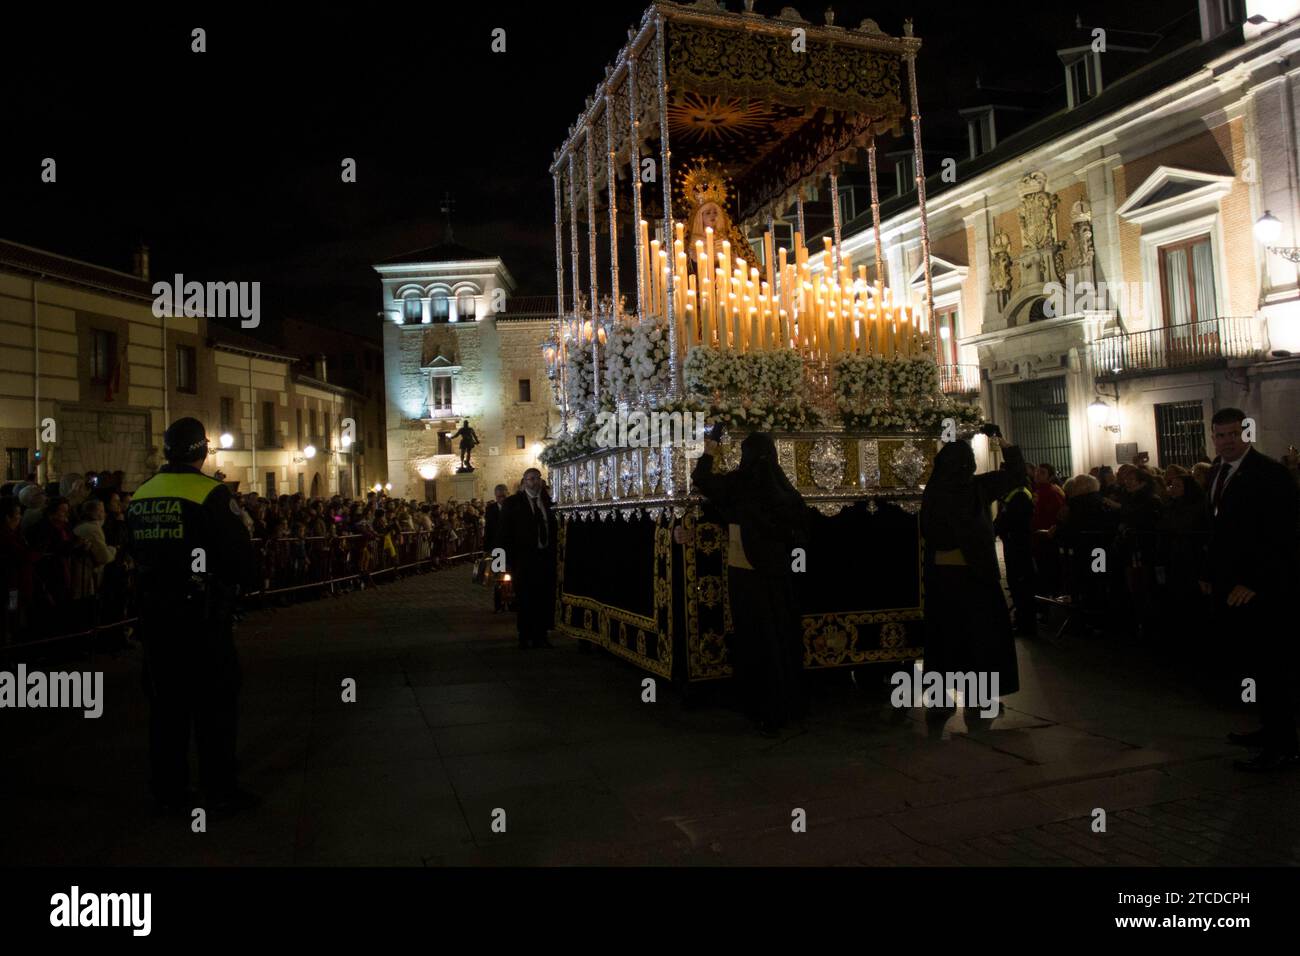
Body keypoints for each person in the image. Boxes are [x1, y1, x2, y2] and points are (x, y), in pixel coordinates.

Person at [127, 417, 259, 814]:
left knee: (166, 707)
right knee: (214, 705)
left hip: (155, 617)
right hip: (201, 617)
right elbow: (238, 557)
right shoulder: (211, 494)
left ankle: (168, 789)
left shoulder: (142, 495)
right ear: (201, 450)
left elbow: (133, 550)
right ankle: (219, 788)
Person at [1199, 408, 1300, 771]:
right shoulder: (1216, 473)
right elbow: (1215, 531)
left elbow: (1282, 536)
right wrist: (1208, 572)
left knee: (1273, 666)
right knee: (1252, 664)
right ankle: (1266, 728)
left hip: (1263, 590)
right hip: (1228, 586)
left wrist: (1254, 582)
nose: (1227, 441)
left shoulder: (1270, 475)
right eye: (1220, 435)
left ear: (1247, 433)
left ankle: (1283, 744)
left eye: (1233, 434)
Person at [691, 432, 808, 737]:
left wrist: (711, 447)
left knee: (755, 637)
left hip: (746, 572)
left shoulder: (739, 483)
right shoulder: (783, 486)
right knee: (781, 633)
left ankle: (762, 706)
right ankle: (789, 703)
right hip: (779, 573)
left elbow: (701, 478)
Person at [919, 434, 1024, 737]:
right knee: (980, 638)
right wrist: (1004, 443)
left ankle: (940, 699)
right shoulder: (977, 487)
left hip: (943, 578)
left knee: (944, 639)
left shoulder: (934, 491)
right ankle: (979, 699)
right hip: (976, 576)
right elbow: (1017, 475)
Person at [499, 468, 558, 648]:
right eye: (530, 479)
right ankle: (525, 634)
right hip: (523, 559)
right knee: (525, 597)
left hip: (544, 557)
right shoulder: (513, 503)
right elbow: (503, 533)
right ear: (524, 481)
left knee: (544, 596)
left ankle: (541, 634)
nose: (534, 482)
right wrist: (502, 563)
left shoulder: (549, 502)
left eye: (537, 479)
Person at [995, 462, 1036, 635]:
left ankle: (1025, 623)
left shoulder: (1019, 495)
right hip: (1014, 543)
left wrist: (995, 529)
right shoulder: (1012, 493)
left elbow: (1009, 520)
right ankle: (1021, 619)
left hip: (1019, 545)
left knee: (1021, 585)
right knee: (1016, 584)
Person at [483, 484, 507, 554]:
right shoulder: (490, 509)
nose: (502, 499)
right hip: (496, 545)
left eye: (504, 496)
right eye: (499, 497)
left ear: (507, 494)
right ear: (495, 496)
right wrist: (486, 547)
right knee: (499, 565)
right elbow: (488, 528)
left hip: (511, 545)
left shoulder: (513, 507)